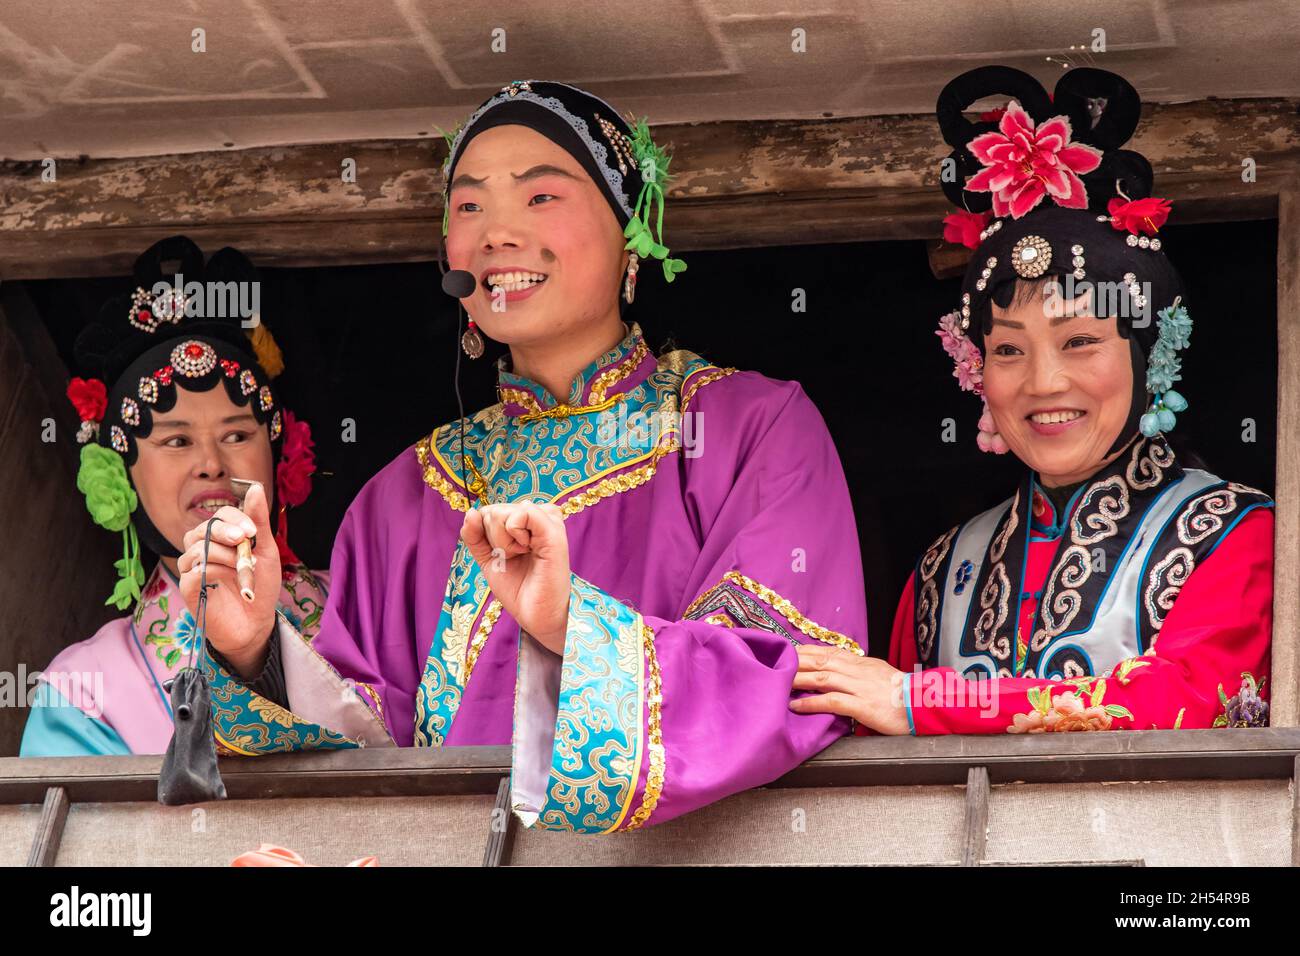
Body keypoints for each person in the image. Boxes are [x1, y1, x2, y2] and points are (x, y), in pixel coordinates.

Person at [180, 80, 868, 832]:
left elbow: (787, 683)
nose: (497, 234)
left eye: (541, 197)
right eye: (469, 206)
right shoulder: (402, 494)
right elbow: (361, 760)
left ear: (631, 232)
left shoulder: (749, 429)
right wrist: (255, 654)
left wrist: (573, 623)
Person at [791, 66, 1273, 735]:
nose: (1043, 383)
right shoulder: (943, 568)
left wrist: (924, 703)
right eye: (1010, 350)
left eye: (1079, 341)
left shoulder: (1235, 534)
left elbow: (1180, 702)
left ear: (1152, 353)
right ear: (974, 368)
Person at [20, 237, 328, 756]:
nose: (211, 463)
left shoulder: (366, 606)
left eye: (236, 435)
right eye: (177, 440)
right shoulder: (81, 694)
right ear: (118, 479)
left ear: (283, 457)